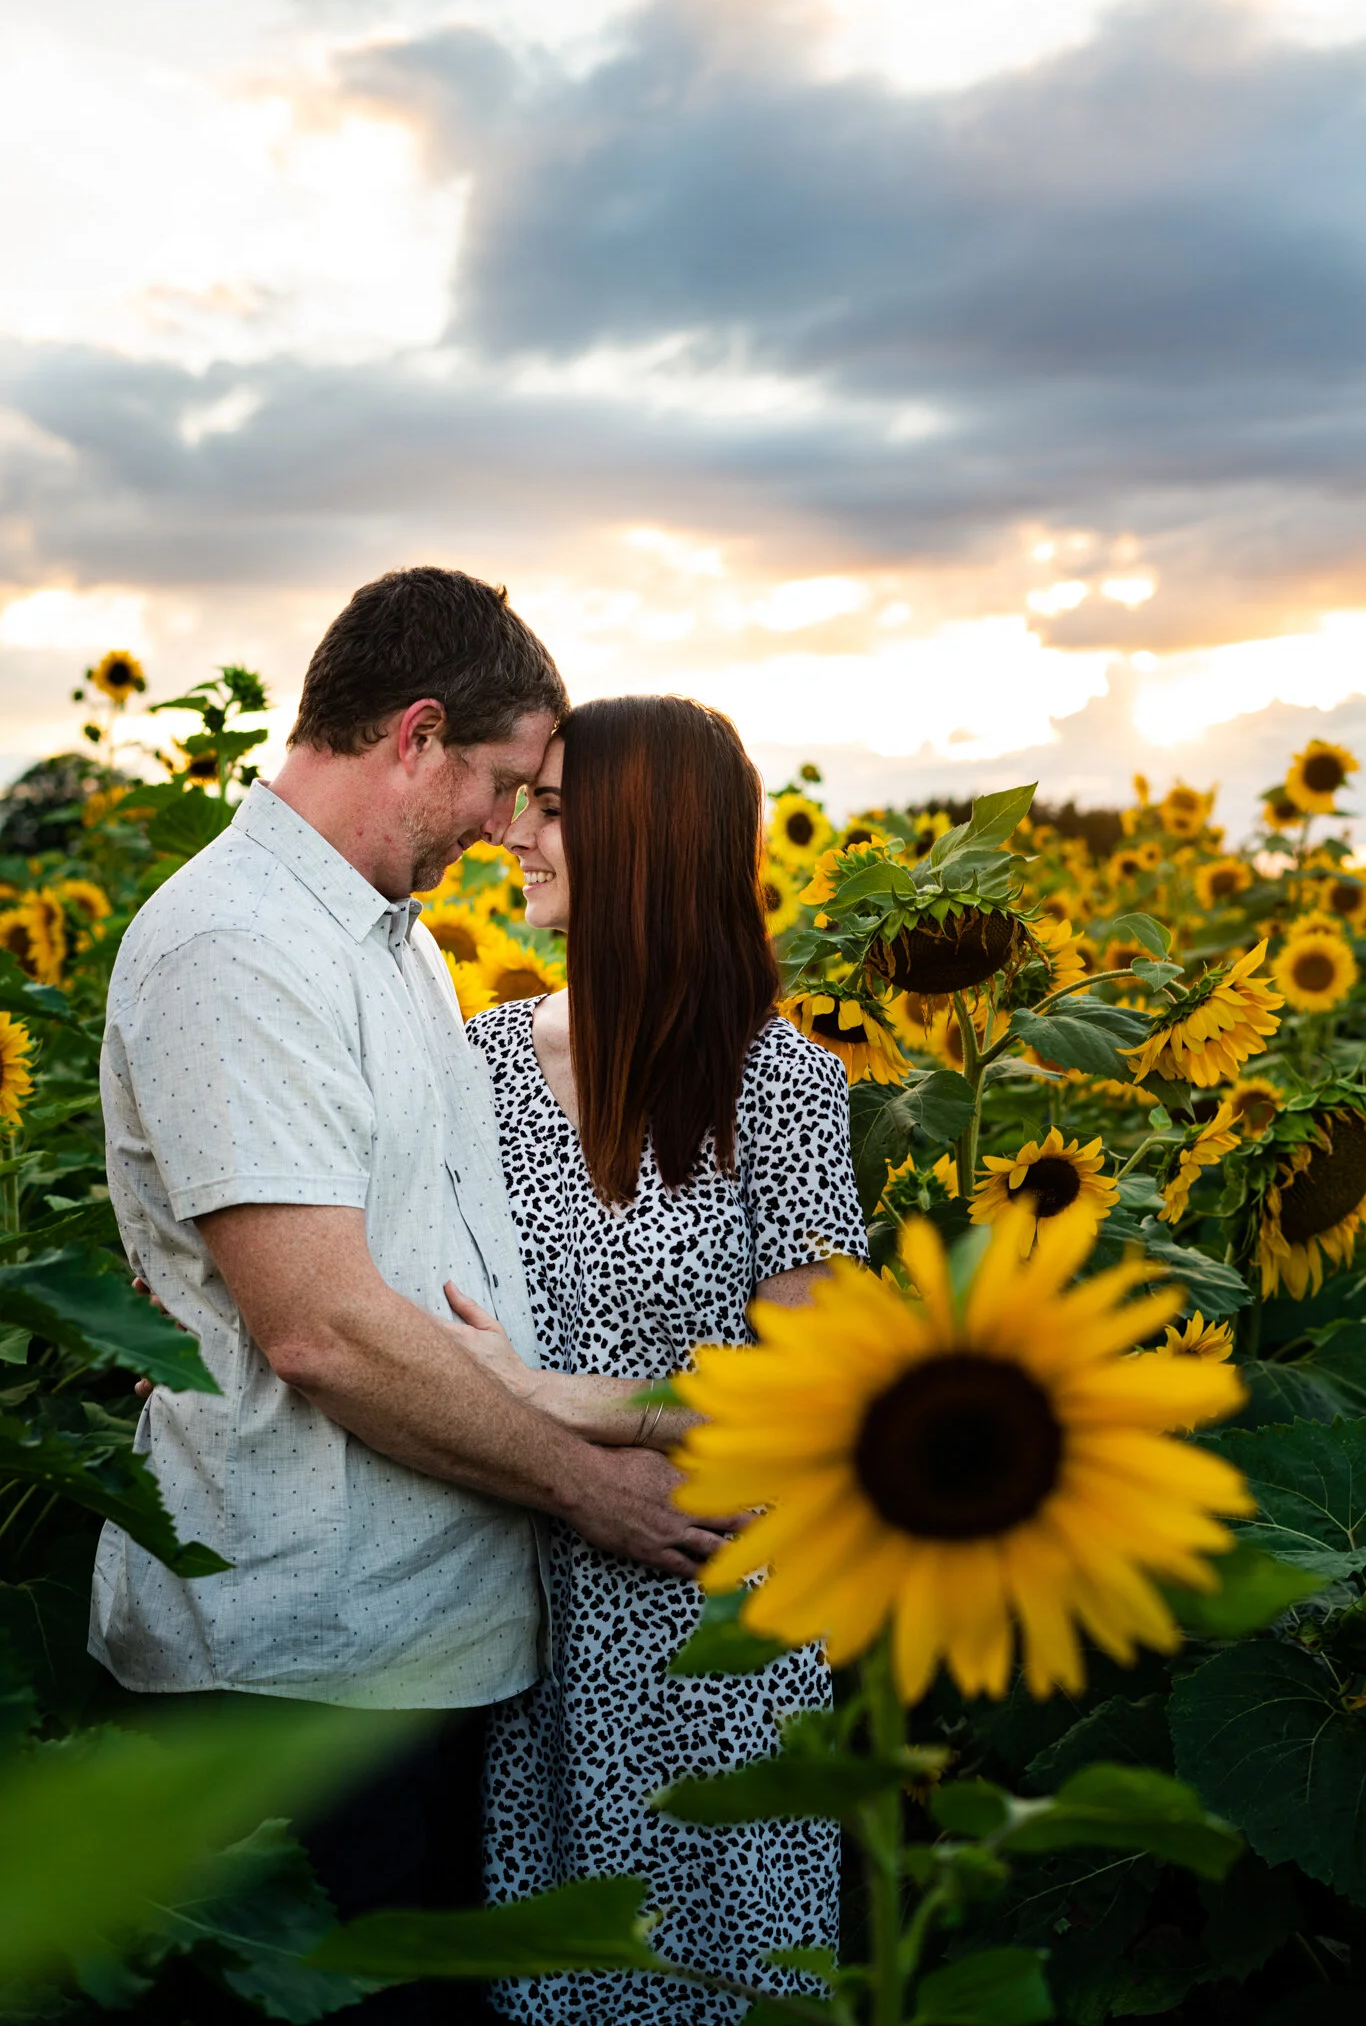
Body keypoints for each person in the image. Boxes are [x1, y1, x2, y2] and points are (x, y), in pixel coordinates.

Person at [93, 572, 730, 2025]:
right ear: (417, 736)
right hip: (301, 1669)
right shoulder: (237, 946)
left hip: (406, 1648)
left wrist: (622, 1409)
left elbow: (405, 1288)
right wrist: (592, 1488)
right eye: (506, 787)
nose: (510, 830)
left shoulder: (385, 943)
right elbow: (319, 1329)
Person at [445, 696, 868, 2026]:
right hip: (518, 1632)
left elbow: (810, 1398)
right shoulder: (472, 1067)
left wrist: (551, 1397)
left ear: (645, 838)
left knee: (719, 1987)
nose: (517, 835)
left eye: (555, 809)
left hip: (714, 1644)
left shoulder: (777, 1084)